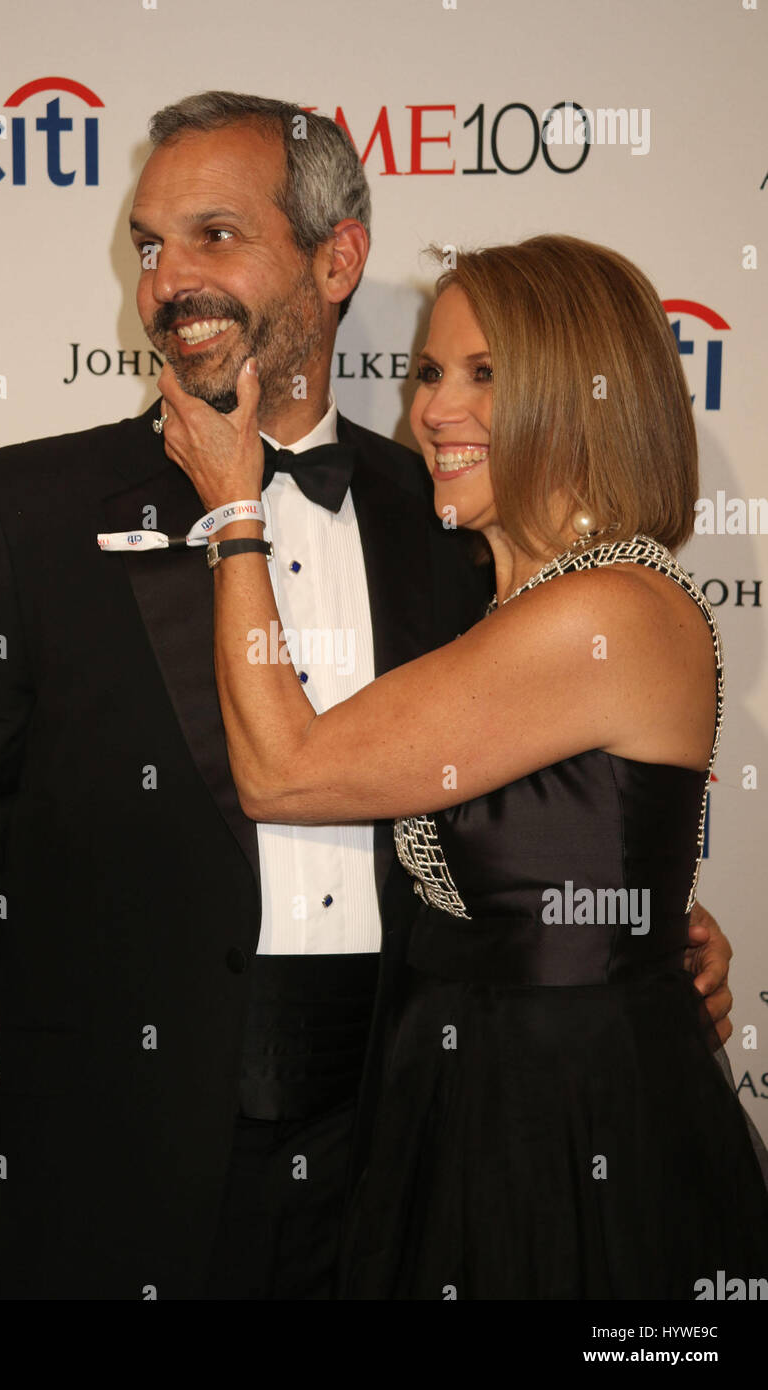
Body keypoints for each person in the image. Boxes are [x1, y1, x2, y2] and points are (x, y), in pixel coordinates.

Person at [0, 95, 731, 1301]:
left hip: (401, 1142)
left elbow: (546, 774)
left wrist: (626, 926)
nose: (167, 280)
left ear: (336, 257)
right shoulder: (19, 510)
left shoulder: (456, 523)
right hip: (108, 1153)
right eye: (149, 244)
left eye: (213, 235)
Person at [156, 232, 768, 1299]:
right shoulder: (513, 606)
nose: (433, 411)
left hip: (560, 1119)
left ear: (585, 393)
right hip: (468, 1093)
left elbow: (285, 771)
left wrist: (235, 509)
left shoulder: (605, 608)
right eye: (429, 373)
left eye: (486, 375)